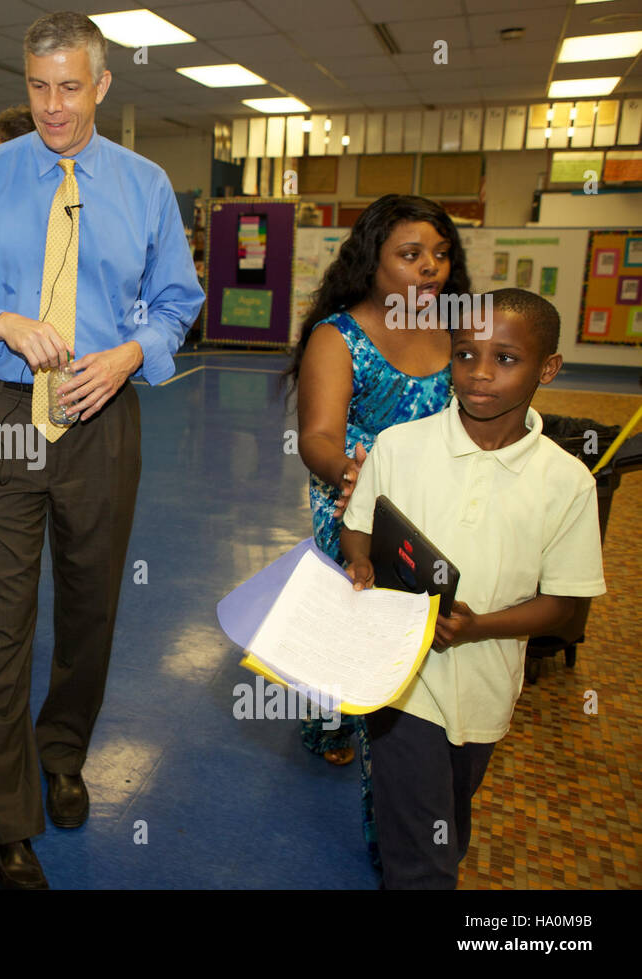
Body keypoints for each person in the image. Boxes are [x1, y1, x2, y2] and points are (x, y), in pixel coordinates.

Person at [0, 10, 204, 889]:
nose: (54, 106)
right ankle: (9, 822)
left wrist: (128, 354)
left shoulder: (145, 186)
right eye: (39, 87)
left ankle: (64, 748)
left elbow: (179, 303)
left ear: (103, 86)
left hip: (102, 418)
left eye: (71, 86)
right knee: (1, 624)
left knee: (91, 604)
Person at [341, 289, 605, 888]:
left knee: (446, 826)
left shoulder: (567, 482)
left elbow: (564, 604)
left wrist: (478, 626)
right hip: (400, 680)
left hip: (485, 686)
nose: (480, 374)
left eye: (506, 359)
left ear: (548, 369)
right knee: (423, 861)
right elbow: (358, 529)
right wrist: (361, 566)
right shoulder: (401, 446)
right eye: (465, 355)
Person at [286, 194, 469, 870]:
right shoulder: (339, 335)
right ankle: (327, 716)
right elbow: (319, 437)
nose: (430, 268)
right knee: (351, 625)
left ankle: (389, 805)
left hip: (431, 510)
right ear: (374, 261)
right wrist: (358, 474)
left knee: (403, 657)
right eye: (411, 254)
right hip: (353, 504)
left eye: (441, 254)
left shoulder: (456, 330)